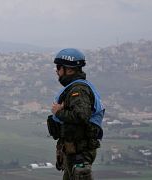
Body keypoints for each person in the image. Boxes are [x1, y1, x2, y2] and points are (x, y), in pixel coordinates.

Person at [47, 48, 105, 180]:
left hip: (80, 151)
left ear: (69, 70)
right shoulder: (75, 87)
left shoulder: (78, 89)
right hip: (74, 150)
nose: (57, 71)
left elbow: (81, 116)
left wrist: (59, 112)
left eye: (58, 67)